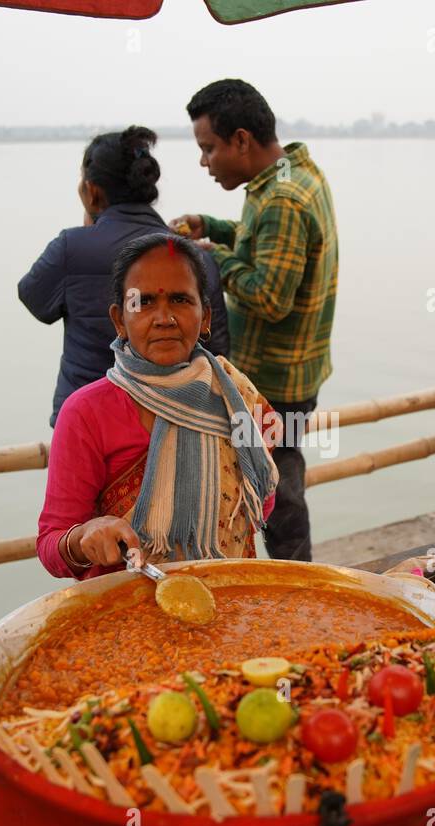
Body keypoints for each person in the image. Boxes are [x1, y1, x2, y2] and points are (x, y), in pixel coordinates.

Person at [37, 233, 278, 579]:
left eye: (180, 299)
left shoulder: (237, 398)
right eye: (144, 302)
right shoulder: (86, 413)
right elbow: (51, 544)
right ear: (119, 320)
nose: (164, 318)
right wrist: (83, 537)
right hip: (125, 604)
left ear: (205, 316)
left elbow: (261, 504)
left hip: (229, 597)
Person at [169, 79, 338, 562]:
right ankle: (289, 574)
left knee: (277, 489)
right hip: (295, 370)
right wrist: (213, 227)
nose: (204, 162)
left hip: (275, 381)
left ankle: (293, 579)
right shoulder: (291, 176)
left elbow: (269, 297)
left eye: (209, 148)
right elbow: (262, 240)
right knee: (277, 480)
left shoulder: (282, 200)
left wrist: (212, 257)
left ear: (241, 140)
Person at [18, 125, 230, 427]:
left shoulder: (71, 249)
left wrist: (90, 227)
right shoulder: (195, 258)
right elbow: (218, 350)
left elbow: (34, 300)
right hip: (177, 423)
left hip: (85, 425)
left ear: (92, 190)